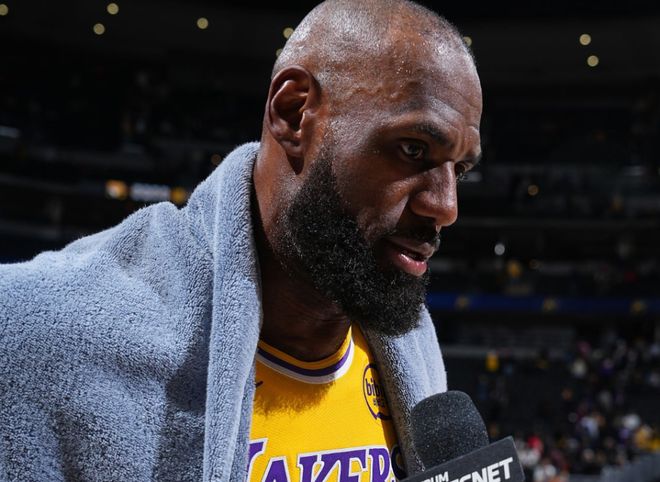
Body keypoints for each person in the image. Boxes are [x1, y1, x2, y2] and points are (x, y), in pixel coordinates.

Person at [0, 0, 482, 480]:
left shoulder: (411, 346)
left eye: (459, 170)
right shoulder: (42, 339)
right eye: (413, 149)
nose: (446, 207)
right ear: (294, 113)